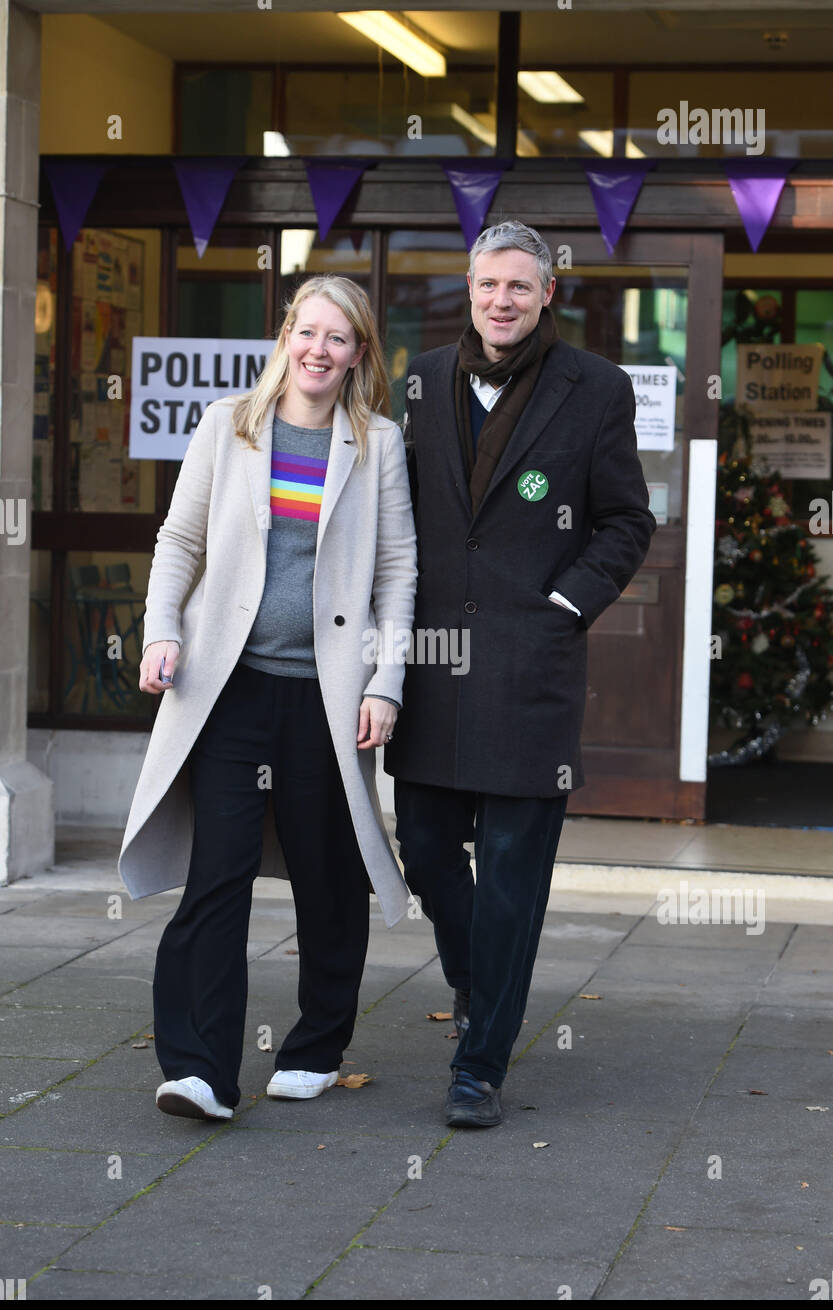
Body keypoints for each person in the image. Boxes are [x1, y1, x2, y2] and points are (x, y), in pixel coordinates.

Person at [119, 275, 417, 1121]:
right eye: (307, 332)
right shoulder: (229, 425)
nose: (318, 351)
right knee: (219, 876)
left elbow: (398, 572)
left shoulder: (378, 443)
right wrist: (160, 630)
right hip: (229, 692)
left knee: (328, 879)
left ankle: (316, 1045)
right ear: (285, 336)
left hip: (326, 697)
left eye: (338, 338)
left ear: (359, 354)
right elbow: (178, 537)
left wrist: (387, 679)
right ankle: (200, 1068)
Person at [385, 221, 656, 1127]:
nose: (501, 300)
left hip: (529, 664)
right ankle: (475, 980)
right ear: (468, 288)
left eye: (519, 286)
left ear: (548, 294)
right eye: (486, 284)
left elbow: (625, 520)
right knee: (424, 850)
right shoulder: (418, 379)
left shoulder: (595, 389)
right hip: (428, 663)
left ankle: (479, 1066)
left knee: (510, 878)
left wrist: (566, 607)